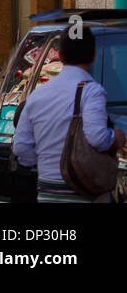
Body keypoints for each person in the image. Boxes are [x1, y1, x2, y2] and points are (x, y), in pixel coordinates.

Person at [15, 25, 127, 202]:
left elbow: (21, 148)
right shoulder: (92, 92)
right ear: (93, 55)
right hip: (84, 193)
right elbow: (98, 138)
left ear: (60, 56)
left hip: (47, 193)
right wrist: (117, 138)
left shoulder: (37, 95)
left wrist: (46, 165)